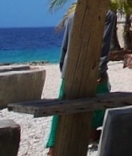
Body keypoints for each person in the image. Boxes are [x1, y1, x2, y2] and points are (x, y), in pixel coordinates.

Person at [46, 9, 116, 153]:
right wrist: (100, 69)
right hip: (91, 69)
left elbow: (65, 47)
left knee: (63, 103)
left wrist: (63, 69)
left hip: (69, 69)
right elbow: (104, 44)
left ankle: (53, 146)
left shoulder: (72, 16)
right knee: (103, 97)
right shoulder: (107, 15)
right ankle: (91, 131)